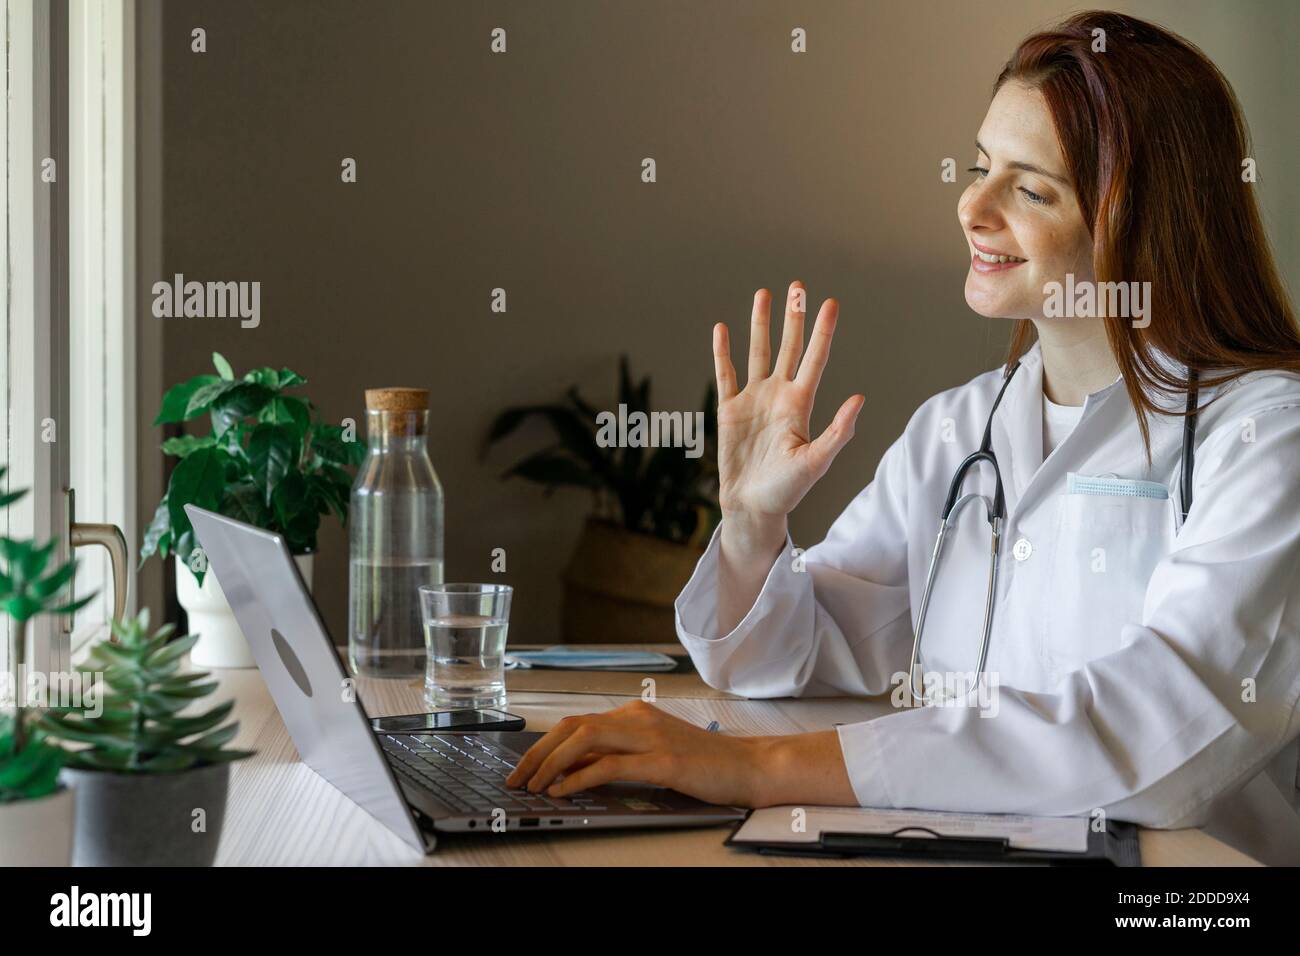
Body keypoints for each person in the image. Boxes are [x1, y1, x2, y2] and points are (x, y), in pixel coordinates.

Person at [506, 11, 1300, 864]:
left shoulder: (1266, 439)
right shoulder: (958, 429)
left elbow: (1162, 727)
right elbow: (802, 656)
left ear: (1150, 221)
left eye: (1030, 189)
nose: (972, 206)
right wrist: (750, 526)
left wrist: (759, 767)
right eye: (979, 166)